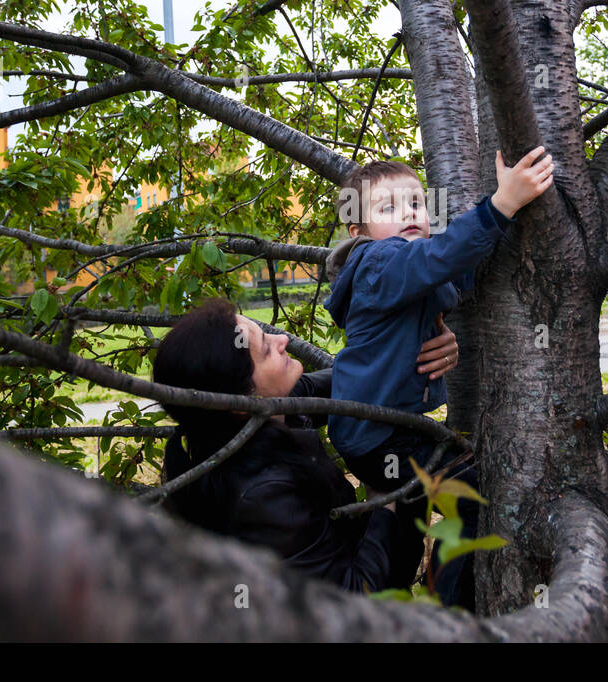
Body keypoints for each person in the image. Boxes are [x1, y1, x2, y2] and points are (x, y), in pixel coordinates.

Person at [322, 147, 554, 607]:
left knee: (405, 520)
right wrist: (502, 204)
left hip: (381, 430)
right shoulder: (376, 262)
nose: (408, 214)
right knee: (467, 491)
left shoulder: (409, 266)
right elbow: (441, 258)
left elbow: (456, 271)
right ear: (359, 232)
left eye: (415, 204)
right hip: (378, 433)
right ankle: (449, 607)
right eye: (387, 208)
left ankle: (392, 600)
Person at [151, 297, 460, 594]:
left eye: (268, 335)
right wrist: (386, 496)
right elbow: (353, 598)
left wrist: (422, 348)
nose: (281, 341)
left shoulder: (275, 407)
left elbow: (356, 382)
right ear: (240, 400)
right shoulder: (264, 495)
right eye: (266, 350)